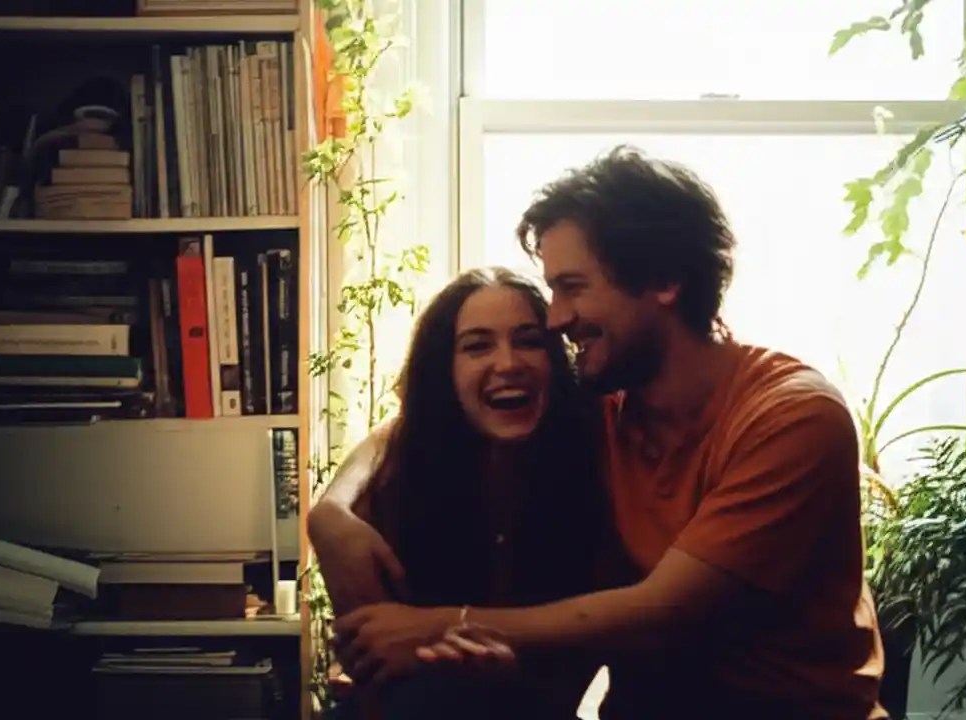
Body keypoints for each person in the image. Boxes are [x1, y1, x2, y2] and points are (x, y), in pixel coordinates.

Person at [328, 146, 887, 719]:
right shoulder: (606, 407)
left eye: (573, 287)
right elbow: (428, 413)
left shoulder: (792, 417)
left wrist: (439, 626)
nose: (555, 319)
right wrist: (333, 510)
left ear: (664, 280)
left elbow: (663, 611)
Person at [308, 267, 612, 720]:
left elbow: (574, 680)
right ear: (444, 371)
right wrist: (329, 512)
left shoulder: (597, 466)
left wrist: (507, 678)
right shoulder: (395, 479)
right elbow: (376, 684)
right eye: (477, 345)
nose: (508, 363)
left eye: (528, 340)